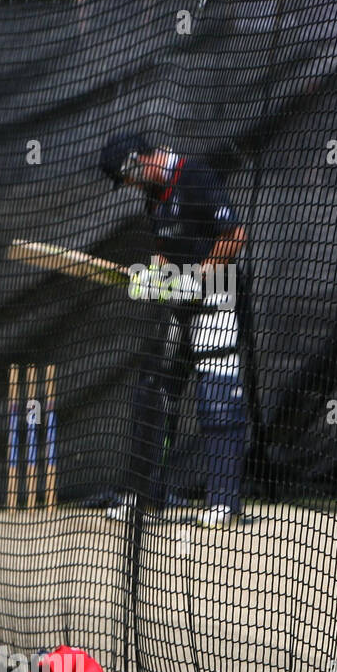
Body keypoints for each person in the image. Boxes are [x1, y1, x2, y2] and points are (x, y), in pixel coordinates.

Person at [99, 133, 248, 529]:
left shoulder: (194, 175)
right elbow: (165, 247)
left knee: (218, 395)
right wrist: (155, 277)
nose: (128, 185)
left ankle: (223, 501)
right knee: (154, 391)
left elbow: (234, 235)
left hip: (217, 294)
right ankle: (148, 494)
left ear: (137, 161)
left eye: (126, 177)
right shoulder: (154, 194)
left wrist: (199, 276)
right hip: (178, 303)